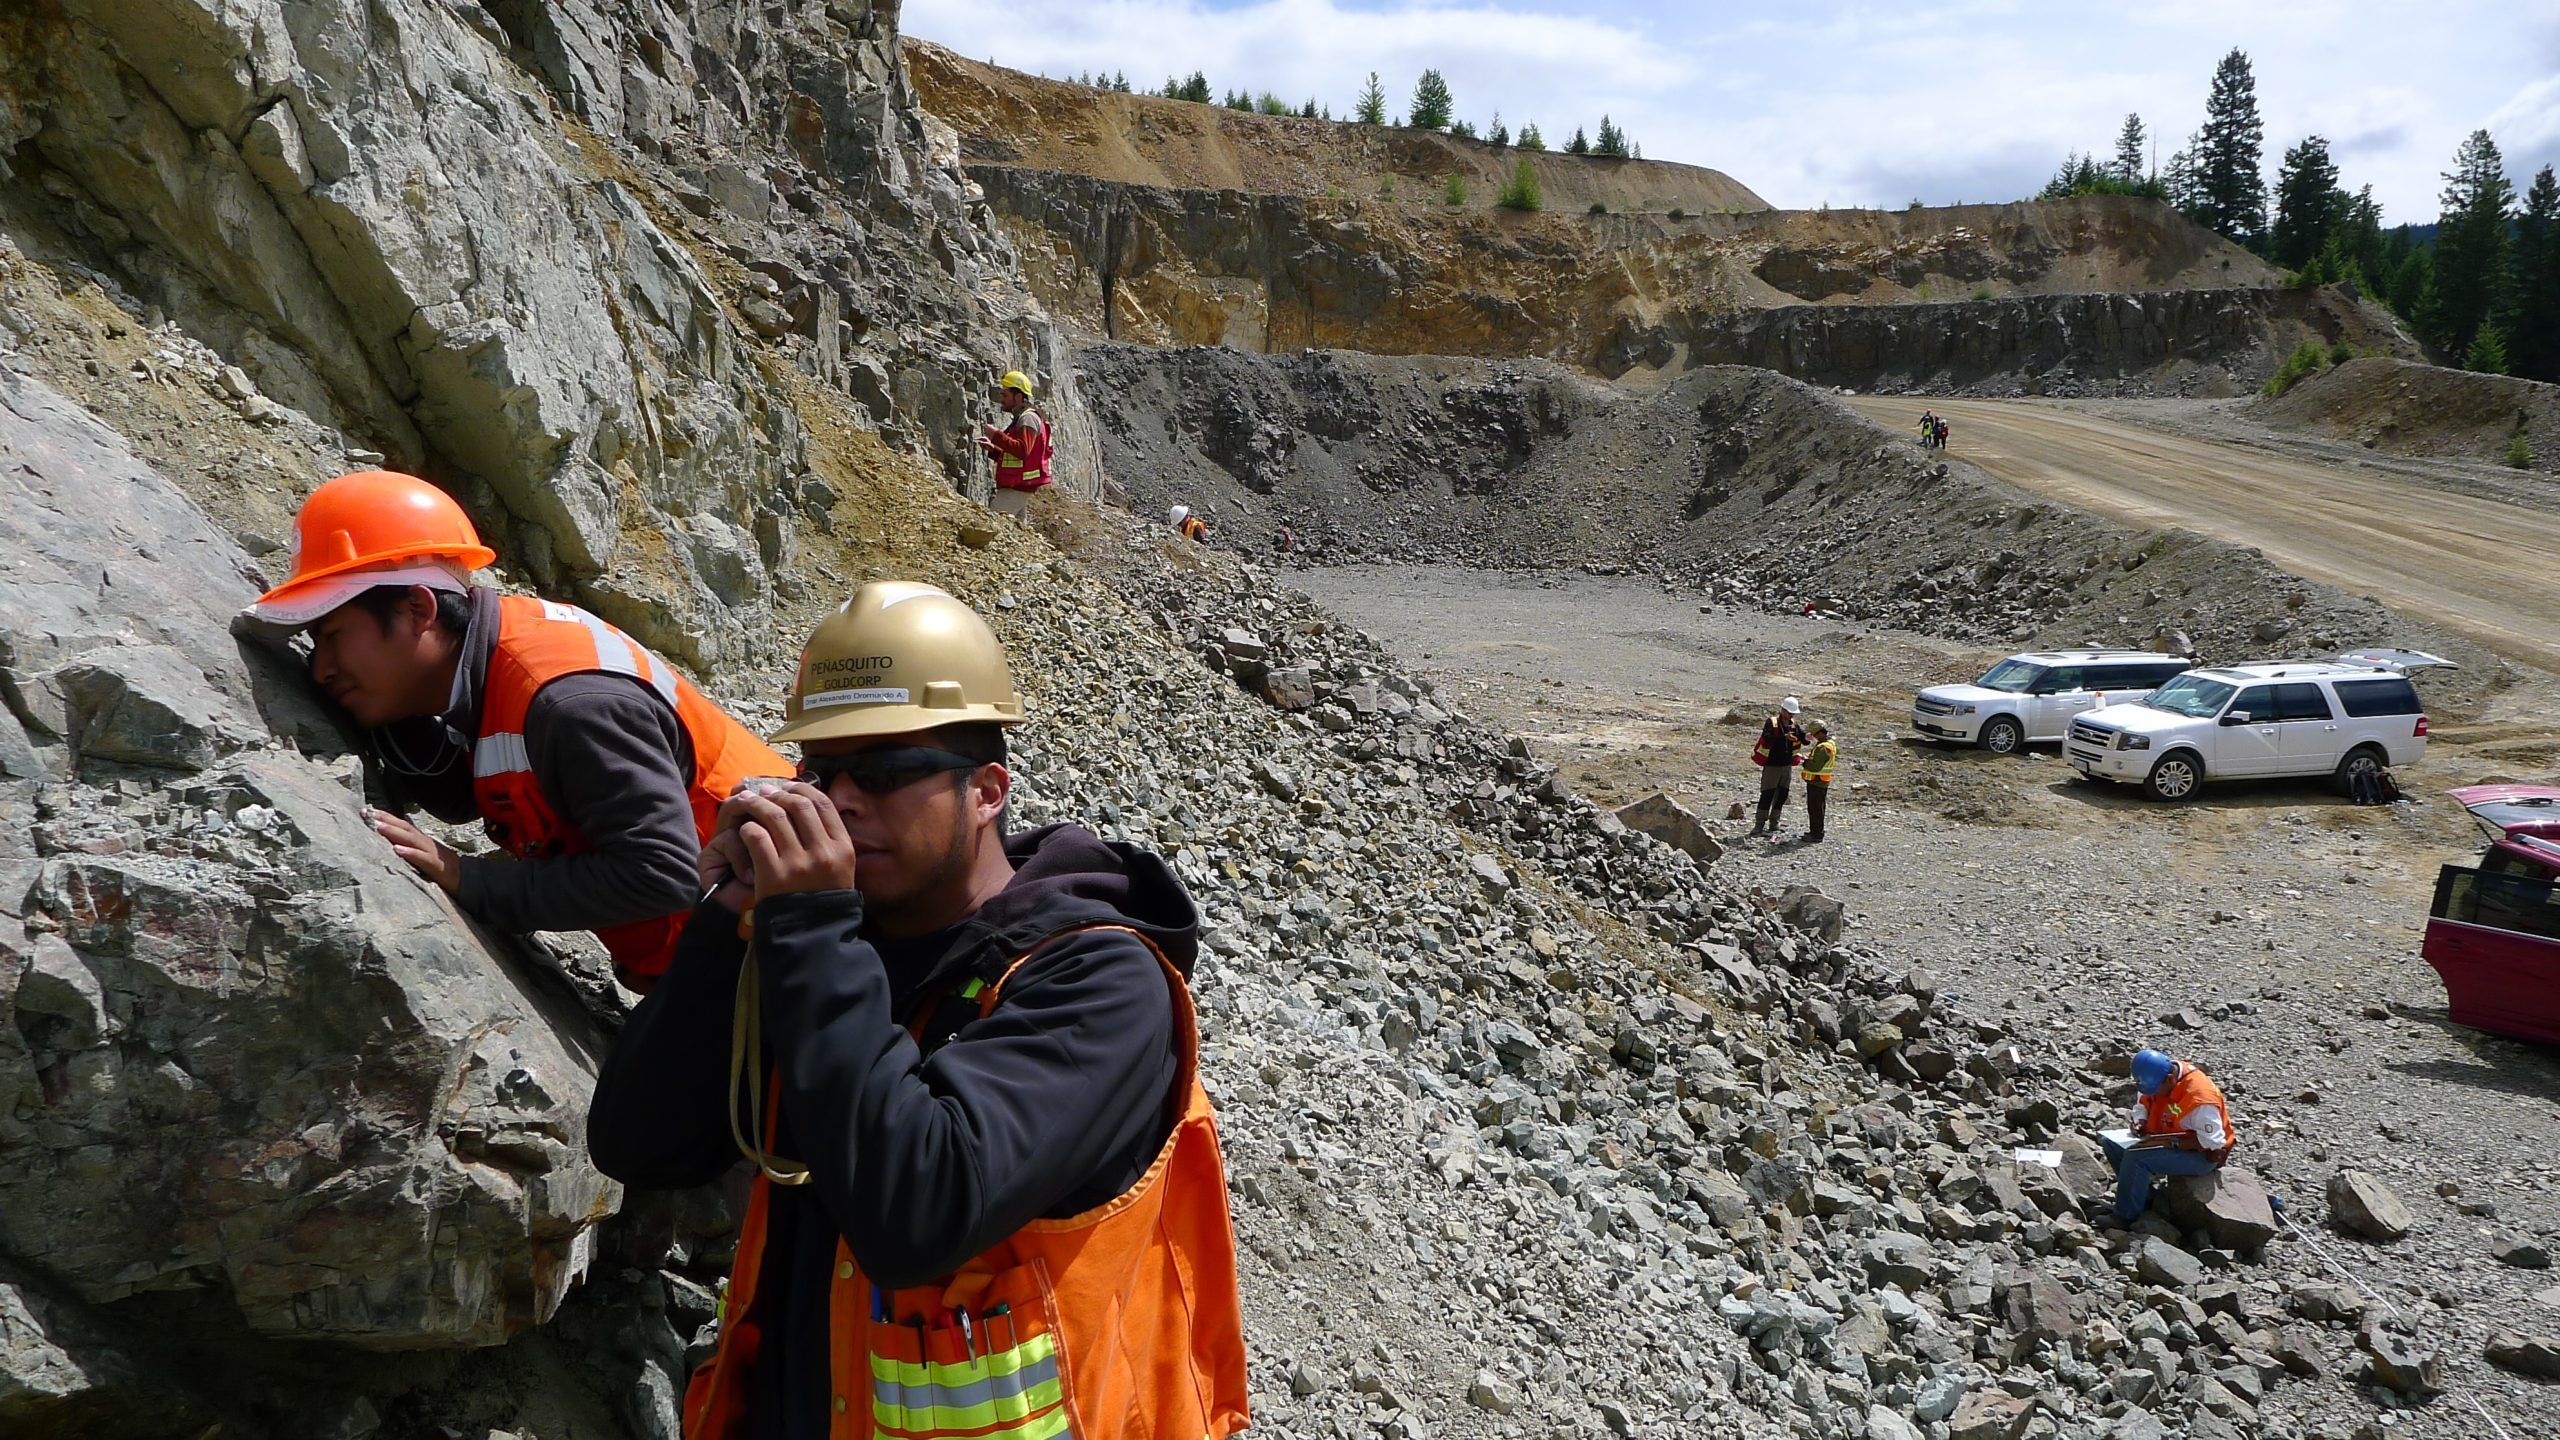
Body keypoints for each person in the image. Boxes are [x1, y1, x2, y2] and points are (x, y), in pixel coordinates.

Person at [588, 580, 1249, 1440]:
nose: (845, 799)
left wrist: (813, 930)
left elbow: (917, 1211)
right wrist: (729, 920)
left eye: (887, 771)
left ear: (986, 791)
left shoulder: (1098, 980)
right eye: (821, 772)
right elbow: (642, 1142)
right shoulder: (818, 940)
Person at [243, 469, 790, 992]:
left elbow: (661, 874)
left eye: (334, 635)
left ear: (417, 608)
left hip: (775, 973)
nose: (321, 667)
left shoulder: (569, 704)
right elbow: (470, 792)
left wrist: (470, 878)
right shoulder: (487, 655)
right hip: (730, 960)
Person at [2099, 1048, 2235, 1224]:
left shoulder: (2200, 1098)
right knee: (2110, 1143)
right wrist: (2140, 1121)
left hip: (2201, 1155)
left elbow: (2213, 1141)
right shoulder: (2155, 1078)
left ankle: (2125, 1216)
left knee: (2136, 1158)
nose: (2152, 1093)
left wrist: (2173, 1143)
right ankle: (2144, 1196)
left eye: (2156, 1090)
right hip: (2163, 1136)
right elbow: (2143, 1103)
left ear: (2170, 1079)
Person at [978, 369, 1052, 519]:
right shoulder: (1024, 418)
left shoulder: (1028, 419)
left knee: (991, 524)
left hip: (1016, 487)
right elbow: (1017, 458)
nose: (1001, 399)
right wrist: (993, 449)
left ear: (1018, 396)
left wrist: (996, 436)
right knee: (1015, 534)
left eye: (1005, 395)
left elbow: (1022, 451)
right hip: (1019, 485)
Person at [1750, 696, 1806, 837]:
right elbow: (1767, 737)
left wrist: (1808, 737)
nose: (1792, 715)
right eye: (1790, 712)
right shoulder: (1772, 722)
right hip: (1772, 765)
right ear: (1783, 710)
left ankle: (1774, 823)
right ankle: (1759, 824)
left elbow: (1802, 738)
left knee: (1782, 795)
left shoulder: (1793, 723)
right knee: (1767, 794)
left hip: (1786, 765)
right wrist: (1784, 737)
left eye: (1793, 713)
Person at [1799, 719, 1837, 843]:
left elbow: (1815, 766)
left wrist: (1805, 762)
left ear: (1820, 733)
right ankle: (1816, 831)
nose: (1814, 737)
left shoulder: (1823, 747)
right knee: (1817, 808)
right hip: (1819, 782)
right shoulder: (1828, 743)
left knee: (1815, 809)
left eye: (1815, 734)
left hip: (1817, 782)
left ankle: (1816, 834)